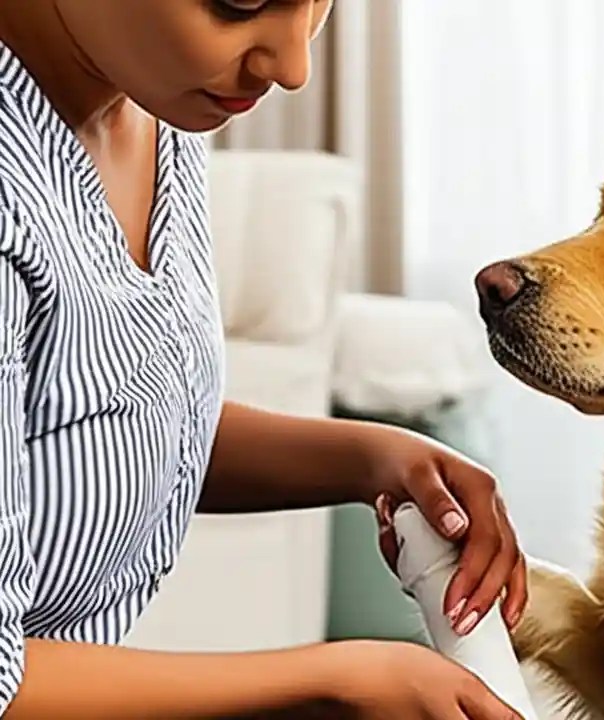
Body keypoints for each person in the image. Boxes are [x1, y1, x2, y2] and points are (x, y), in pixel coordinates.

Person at [0, 1, 528, 717]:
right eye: (240, 3)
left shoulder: (157, 103)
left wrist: (381, 457)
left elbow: (115, 427)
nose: (293, 67)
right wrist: (333, 680)